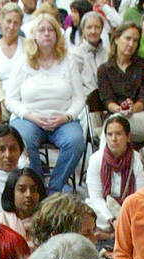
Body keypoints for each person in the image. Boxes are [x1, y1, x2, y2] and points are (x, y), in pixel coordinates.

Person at [5, 11, 86, 193]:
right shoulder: (23, 61)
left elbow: (79, 97)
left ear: (58, 35)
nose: (47, 33)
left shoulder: (68, 61)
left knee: (76, 141)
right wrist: (30, 116)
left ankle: (54, 188)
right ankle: (37, 186)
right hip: (29, 118)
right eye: (41, 30)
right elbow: (10, 99)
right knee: (23, 139)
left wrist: (67, 116)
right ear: (34, 36)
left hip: (62, 120)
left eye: (51, 30)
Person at [92, 21, 144, 147]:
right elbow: (107, 99)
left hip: (141, 116)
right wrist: (120, 110)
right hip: (116, 114)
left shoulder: (143, 65)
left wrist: (133, 109)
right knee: (115, 125)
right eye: (128, 39)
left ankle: (103, 159)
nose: (131, 44)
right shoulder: (104, 69)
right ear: (116, 39)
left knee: (114, 126)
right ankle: (104, 162)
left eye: (135, 41)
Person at [86, 114, 144, 234]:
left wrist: (123, 217)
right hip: (105, 210)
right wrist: (112, 220)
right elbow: (96, 197)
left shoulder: (138, 160)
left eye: (118, 134)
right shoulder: (96, 159)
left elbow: (140, 196)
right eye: (110, 134)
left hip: (130, 208)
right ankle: (119, 231)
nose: (114, 139)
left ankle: (112, 234)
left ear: (128, 137)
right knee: (88, 210)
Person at [0, 165, 46, 243]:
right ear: (11, 193)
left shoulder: (47, 222)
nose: (28, 194)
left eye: (34, 190)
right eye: (22, 190)